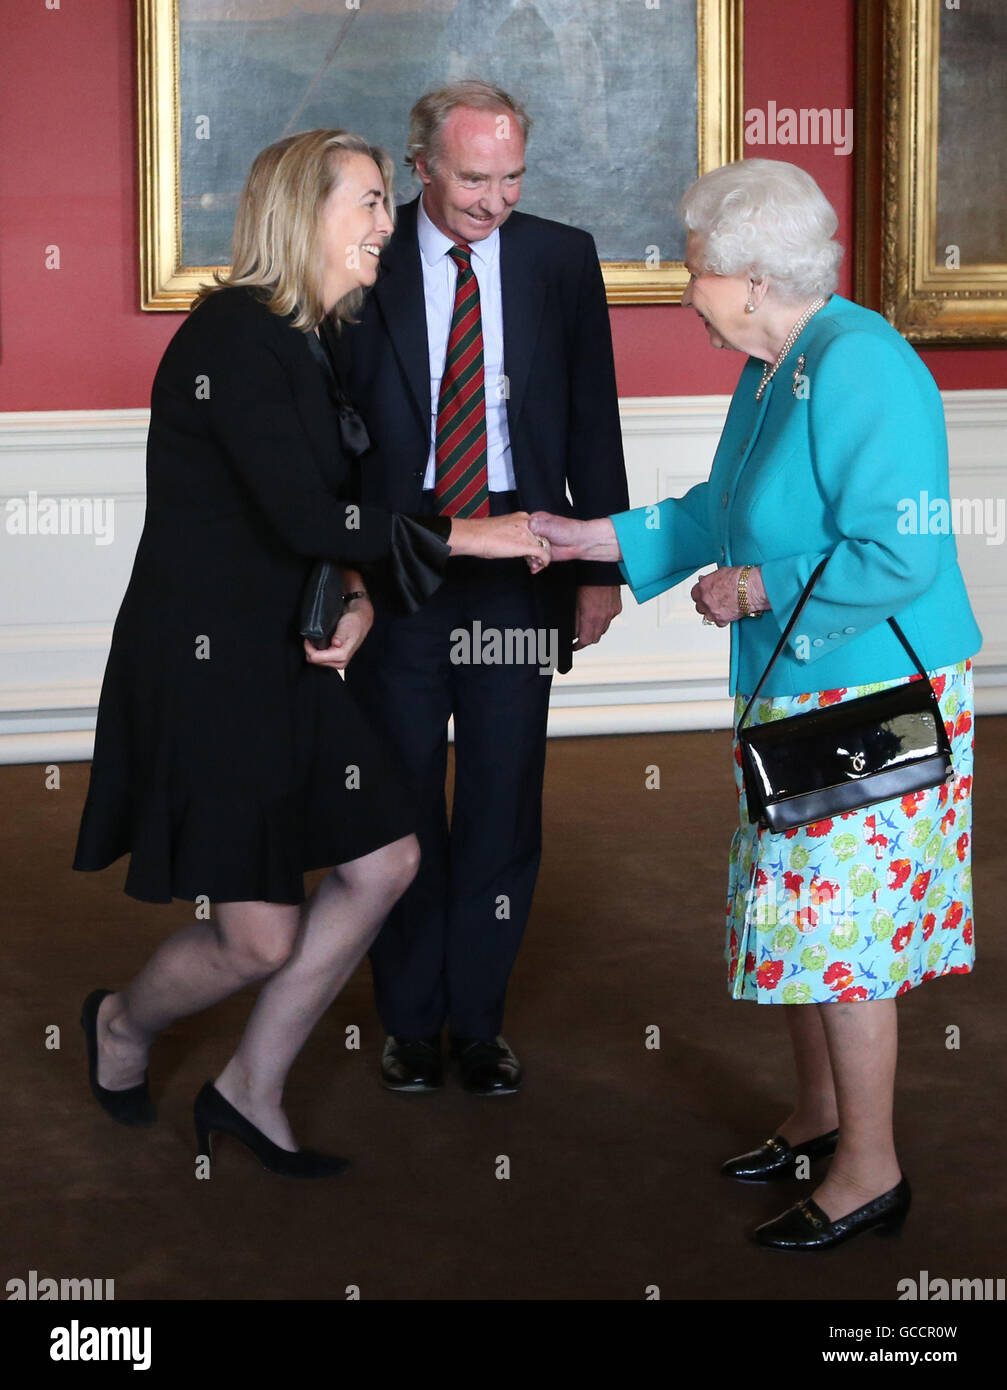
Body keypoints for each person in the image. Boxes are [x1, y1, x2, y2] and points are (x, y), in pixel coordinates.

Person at [73, 128, 549, 1177]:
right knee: (257, 937)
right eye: (370, 203)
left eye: (387, 202)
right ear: (302, 214)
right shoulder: (231, 339)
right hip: (207, 670)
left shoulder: (307, 335)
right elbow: (305, 513)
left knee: (385, 859)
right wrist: (475, 533)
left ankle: (248, 1086)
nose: (389, 225)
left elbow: (332, 519)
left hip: (289, 653)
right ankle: (118, 1022)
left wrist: (362, 594)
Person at [529, 159, 981, 1248]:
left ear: (746, 275)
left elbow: (899, 550)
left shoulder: (861, 363)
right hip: (795, 689)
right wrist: (603, 540)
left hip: (868, 694)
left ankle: (869, 1170)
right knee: (798, 912)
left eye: (692, 266)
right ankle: (823, 1117)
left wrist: (755, 587)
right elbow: (721, 508)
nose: (685, 286)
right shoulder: (780, 363)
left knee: (845, 936)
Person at [325, 79, 629, 1096]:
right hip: (399, 563)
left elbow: (593, 415)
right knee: (402, 797)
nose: (494, 200)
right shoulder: (365, 258)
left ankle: (478, 1019)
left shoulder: (557, 258)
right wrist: (337, 574)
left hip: (524, 560)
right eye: (471, 178)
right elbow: (330, 433)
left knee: (502, 795)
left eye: (510, 177)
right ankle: (409, 1020)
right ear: (419, 168)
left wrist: (601, 566)